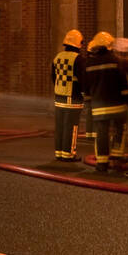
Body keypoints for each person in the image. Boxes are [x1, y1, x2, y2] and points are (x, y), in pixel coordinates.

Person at [82, 32, 128, 172]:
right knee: (120, 129)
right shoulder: (116, 60)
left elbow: (85, 86)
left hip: (99, 107)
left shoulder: (89, 63)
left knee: (101, 133)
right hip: (117, 105)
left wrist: (89, 101)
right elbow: (123, 83)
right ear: (109, 46)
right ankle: (117, 156)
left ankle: (102, 163)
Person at [51, 29, 86, 161]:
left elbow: (53, 77)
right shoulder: (78, 59)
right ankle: (69, 154)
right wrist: (85, 93)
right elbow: (82, 79)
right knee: (71, 127)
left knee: (60, 125)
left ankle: (59, 153)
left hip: (59, 97)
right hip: (73, 97)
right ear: (78, 43)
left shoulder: (58, 57)